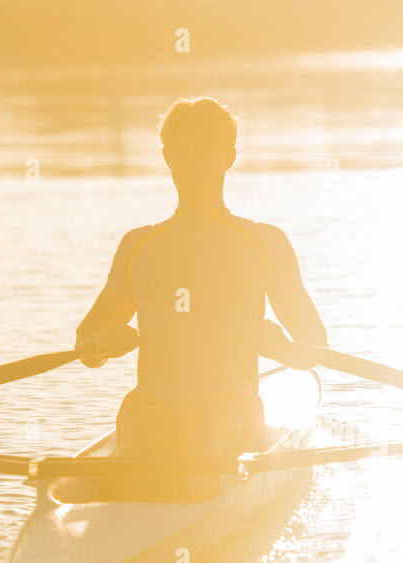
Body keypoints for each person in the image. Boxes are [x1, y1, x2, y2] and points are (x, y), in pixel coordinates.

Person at [74, 96, 328, 483]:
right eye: (184, 152)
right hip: (152, 406)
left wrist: (285, 349)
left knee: (204, 426)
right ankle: (132, 492)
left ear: (229, 156)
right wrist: (101, 344)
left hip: (229, 407)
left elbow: (314, 344)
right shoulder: (138, 245)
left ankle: (183, 492)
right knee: (144, 430)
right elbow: (86, 344)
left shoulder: (264, 243)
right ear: (168, 158)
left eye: (205, 152)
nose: (194, 164)